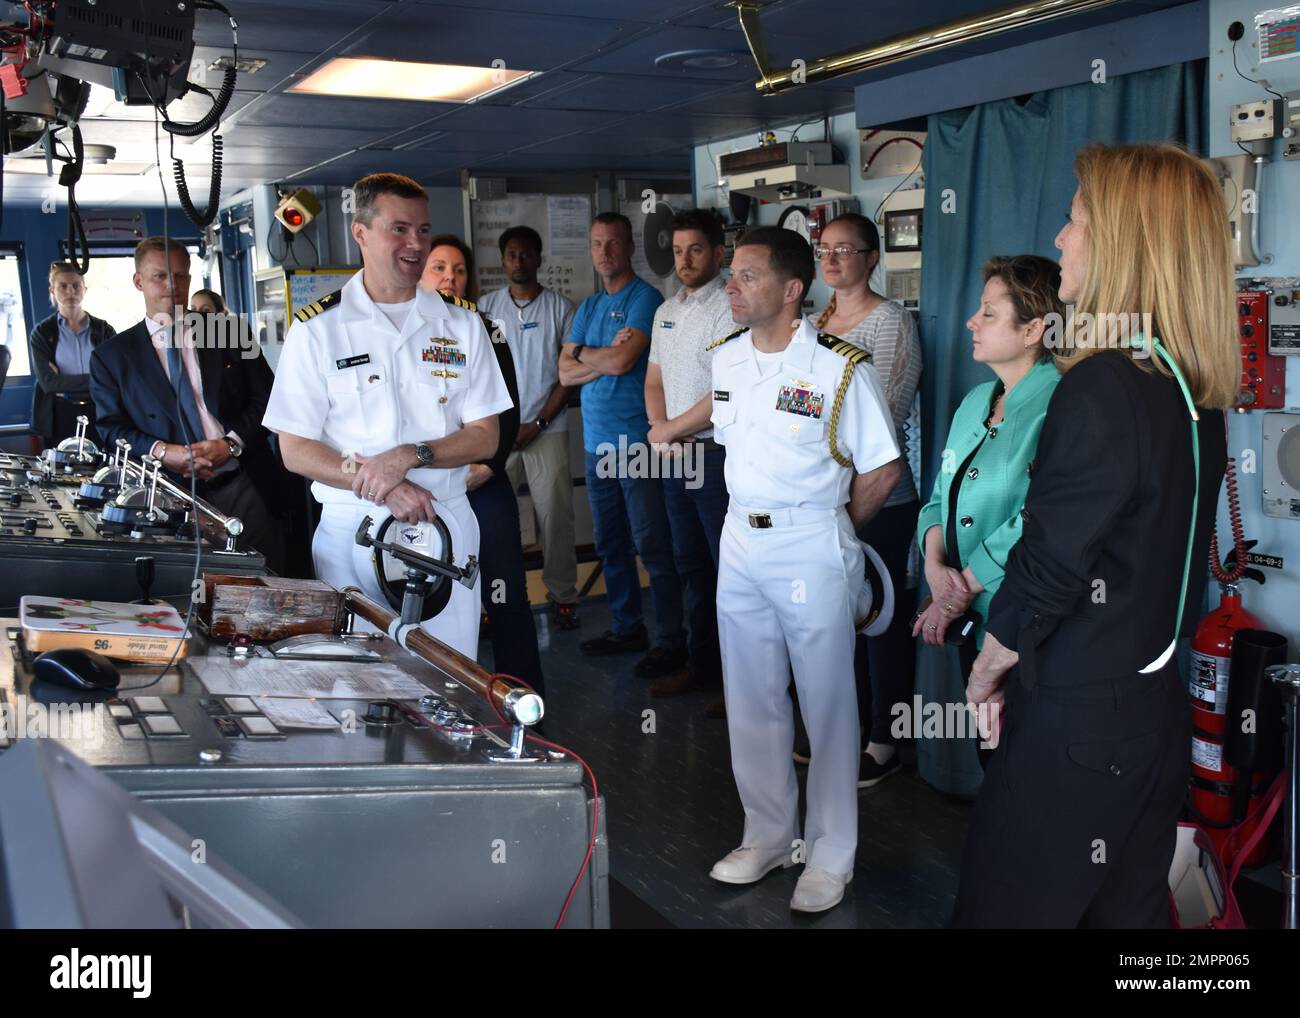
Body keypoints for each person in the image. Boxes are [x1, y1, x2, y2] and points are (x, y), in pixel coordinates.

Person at [953, 143, 1238, 928]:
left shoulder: (1102, 384)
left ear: (1123, 240)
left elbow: (1051, 562)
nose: (1060, 237)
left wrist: (988, 670)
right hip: (1149, 714)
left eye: (1075, 219)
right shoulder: (1187, 388)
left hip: (1077, 726)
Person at [706, 226, 901, 913]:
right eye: (732, 275)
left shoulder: (839, 368)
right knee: (751, 696)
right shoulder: (726, 360)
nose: (732, 287)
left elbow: (882, 467)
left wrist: (835, 529)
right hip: (740, 538)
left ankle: (830, 854)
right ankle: (766, 835)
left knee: (827, 704)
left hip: (810, 539)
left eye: (747, 276)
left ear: (792, 290)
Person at [262, 173, 511, 656]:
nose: (415, 243)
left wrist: (410, 456)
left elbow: (485, 436)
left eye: (423, 230)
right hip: (351, 528)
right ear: (360, 232)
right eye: (399, 229)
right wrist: (382, 483)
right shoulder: (317, 330)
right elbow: (295, 449)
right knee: (357, 678)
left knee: (450, 672)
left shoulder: (464, 324)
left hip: (444, 523)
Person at [912, 256, 1063, 725]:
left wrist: (961, 586)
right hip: (966, 613)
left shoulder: (1063, 403)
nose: (971, 322)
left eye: (989, 313)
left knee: (1021, 751)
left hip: (1023, 621)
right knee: (987, 749)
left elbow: (1045, 517)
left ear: (1033, 329)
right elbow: (939, 498)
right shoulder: (976, 400)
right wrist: (936, 570)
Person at [808, 213, 923, 786]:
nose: (830, 260)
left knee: (880, 622)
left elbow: (887, 419)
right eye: (823, 250)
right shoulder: (813, 322)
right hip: (823, 500)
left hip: (881, 499)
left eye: (844, 250)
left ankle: (885, 739)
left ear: (871, 257)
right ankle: (846, 730)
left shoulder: (890, 322)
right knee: (838, 622)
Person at [90, 237, 283, 572]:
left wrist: (231, 444)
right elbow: (110, 428)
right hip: (170, 495)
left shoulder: (228, 330)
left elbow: (268, 397)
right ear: (138, 281)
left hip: (244, 483)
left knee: (271, 577)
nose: (172, 285)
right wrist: (163, 452)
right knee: (193, 588)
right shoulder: (112, 356)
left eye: (180, 276)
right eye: (159, 276)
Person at [558, 212, 685, 680]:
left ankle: (672, 640)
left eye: (613, 243)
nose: (605, 252)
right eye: (597, 244)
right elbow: (563, 373)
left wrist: (587, 356)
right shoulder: (590, 306)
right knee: (610, 544)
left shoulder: (645, 298)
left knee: (652, 544)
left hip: (635, 445)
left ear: (630, 247)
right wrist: (597, 356)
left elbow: (622, 362)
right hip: (596, 446)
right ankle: (627, 627)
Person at [423, 234, 545, 694]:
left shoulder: (484, 328)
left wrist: (490, 466)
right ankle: (447, 701)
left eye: (458, 270)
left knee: (506, 594)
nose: (449, 277)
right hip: (429, 489)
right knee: (437, 597)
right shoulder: (402, 332)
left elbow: (508, 409)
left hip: (482, 479)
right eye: (439, 268)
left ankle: (524, 704)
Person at [643, 209, 734, 700]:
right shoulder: (665, 310)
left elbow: (724, 391)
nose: (684, 260)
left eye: (695, 250)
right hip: (676, 455)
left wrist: (670, 431)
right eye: (678, 251)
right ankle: (702, 667)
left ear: (718, 253)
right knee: (690, 565)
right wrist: (662, 431)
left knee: (727, 570)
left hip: (714, 455)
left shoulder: (728, 306)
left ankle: (738, 683)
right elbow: (654, 380)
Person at [478, 226, 581, 631]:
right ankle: (495, 602)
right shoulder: (486, 308)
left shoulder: (560, 308)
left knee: (556, 519)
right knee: (493, 521)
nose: (518, 262)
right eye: (511, 255)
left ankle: (563, 597)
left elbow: (567, 376)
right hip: (498, 435)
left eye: (526, 254)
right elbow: (478, 373)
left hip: (547, 430)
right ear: (502, 261)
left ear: (539, 259)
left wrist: (537, 422)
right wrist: (503, 427)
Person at [29, 261, 116, 448]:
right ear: (52, 291)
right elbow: (49, 383)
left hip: (99, 410)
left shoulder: (104, 330)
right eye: (63, 286)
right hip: (59, 414)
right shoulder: (42, 333)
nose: (71, 292)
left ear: (85, 290)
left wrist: (64, 380)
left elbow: (115, 377)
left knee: (103, 463)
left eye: (76, 286)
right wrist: (96, 379)